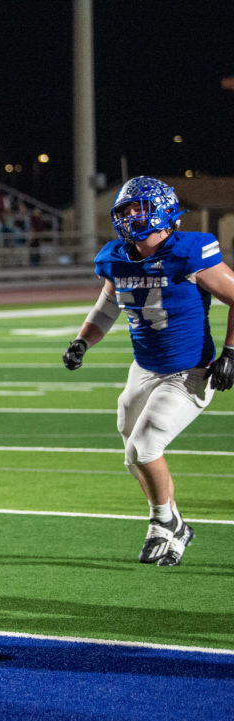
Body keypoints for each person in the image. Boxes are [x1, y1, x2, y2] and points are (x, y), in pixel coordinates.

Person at [62, 177, 234, 567]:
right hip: (144, 368)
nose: (130, 217)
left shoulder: (189, 251)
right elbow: (107, 307)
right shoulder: (116, 257)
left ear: (163, 210)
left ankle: (163, 522)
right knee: (133, 453)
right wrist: (82, 342)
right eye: (124, 210)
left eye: (138, 208)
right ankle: (175, 523)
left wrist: (231, 352)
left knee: (144, 446)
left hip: (189, 370)